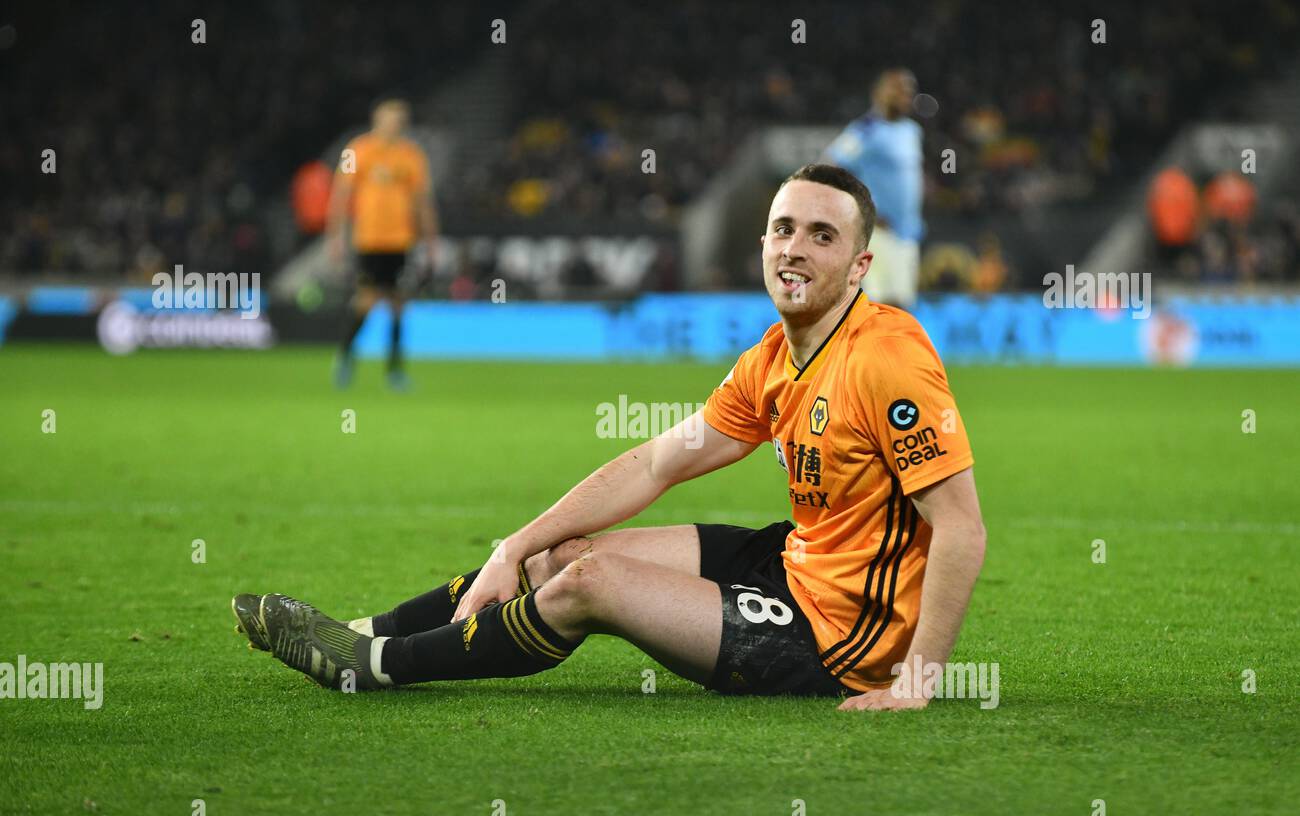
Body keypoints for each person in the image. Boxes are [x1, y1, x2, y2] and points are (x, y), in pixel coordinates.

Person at [233, 164, 985, 712]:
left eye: (822, 236)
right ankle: (357, 628)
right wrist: (513, 545)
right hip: (793, 564)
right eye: (784, 228)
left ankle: (369, 664)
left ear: (859, 267)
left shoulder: (887, 357)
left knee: (590, 584)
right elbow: (657, 463)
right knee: (560, 554)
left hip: (845, 637)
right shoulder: (772, 357)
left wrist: (915, 681)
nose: (795, 248)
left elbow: (961, 529)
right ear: (763, 241)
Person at [326, 98, 438, 390]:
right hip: (370, 239)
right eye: (389, 119)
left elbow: (423, 201)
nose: (393, 125)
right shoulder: (357, 150)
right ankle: (345, 357)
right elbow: (340, 194)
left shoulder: (412, 156)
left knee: (399, 305)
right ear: (376, 120)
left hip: (401, 240)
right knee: (366, 301)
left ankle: (395, 371)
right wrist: (335, 237)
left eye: (399, 121)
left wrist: (430, 242)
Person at [822, 69, 924, 309]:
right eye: (899, 89)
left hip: (908, 231)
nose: (905, 96)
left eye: (909, 91)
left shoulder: (911, 131)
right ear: (880, 93)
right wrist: (864, 211)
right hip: (881, 232)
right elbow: (831, 165)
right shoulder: (867, 130)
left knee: (903, 307)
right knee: (882, 307)